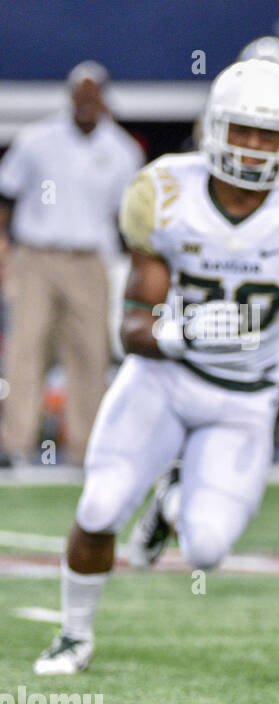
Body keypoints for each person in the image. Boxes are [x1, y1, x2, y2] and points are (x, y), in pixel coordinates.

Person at [33, 58, 279, 675]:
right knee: (100, 506)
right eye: (240, 129)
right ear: (213, 127)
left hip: (246, 401)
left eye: (266, 134)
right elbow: (130, 328)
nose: (250, 146)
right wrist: (177, 332)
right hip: (162, 383)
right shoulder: (166, 193)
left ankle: (173, 497)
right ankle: (73, 634)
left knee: (208, 548)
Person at [0, 61, 142, 466]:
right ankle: (16, 446)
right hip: (36, 255)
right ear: (69, 96)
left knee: (90, 352)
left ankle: (87, 447)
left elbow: (127, 217)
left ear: (104, 99)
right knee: (26, 347)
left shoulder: (121, 150)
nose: (86, 102)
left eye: (93, 94)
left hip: (89, 258)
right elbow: (6, 195)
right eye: (80, 94)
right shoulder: (36, 139)